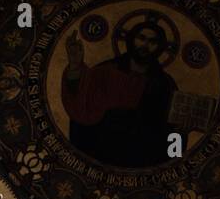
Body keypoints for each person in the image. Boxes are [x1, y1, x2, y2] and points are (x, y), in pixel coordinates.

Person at [62, 18, 177, 166]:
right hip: (102, 150)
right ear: (131, 39)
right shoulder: (106, 71)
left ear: (159, 48)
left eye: (153, 42)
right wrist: (75, 66)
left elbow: (170, 130)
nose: (145, 45)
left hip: (141, 158)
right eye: (141, 38)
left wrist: (181, 131)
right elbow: (80, 99)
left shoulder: (164, 84)